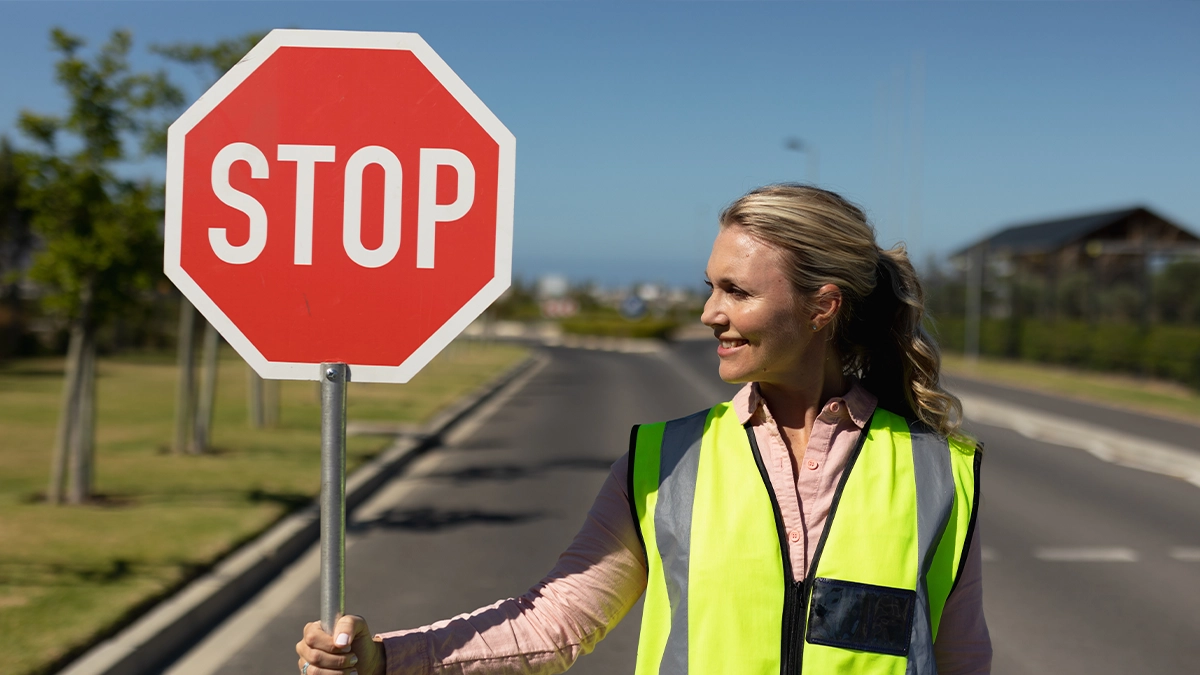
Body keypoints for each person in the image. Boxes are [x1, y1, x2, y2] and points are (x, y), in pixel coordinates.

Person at [296, 184, 991, 675]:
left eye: (737, 291)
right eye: (710, 286)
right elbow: (554, 624)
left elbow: (960, 660)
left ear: (823, 306)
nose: (708, 314)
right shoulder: (664, 458)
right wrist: (386, 657)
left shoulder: (941, 471)